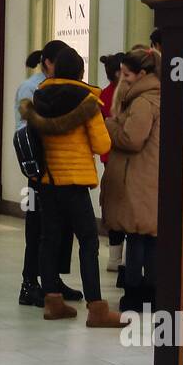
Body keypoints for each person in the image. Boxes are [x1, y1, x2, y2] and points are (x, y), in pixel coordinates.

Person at [19, 45, 121, 326]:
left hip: (48, 181)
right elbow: (102, 144)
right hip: (75, 183)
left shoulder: (40, 98)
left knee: (48, 239)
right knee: (88, 241)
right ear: (80, 71)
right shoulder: (86, 102)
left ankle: (53, 302)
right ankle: (97, 310)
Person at [15, 40, 82, 307]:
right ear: (48, 63)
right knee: (36, 228)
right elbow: (24, 130)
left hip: (59, 171)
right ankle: (29, 283)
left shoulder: (60, 88)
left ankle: (52, 280)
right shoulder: (31, 88)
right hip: (37, 172)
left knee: (59, 228)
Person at [102, 48, 161, 314]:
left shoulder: (143, 102)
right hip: (149, 175)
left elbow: (132, 139)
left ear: (143, 74)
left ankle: (135, 293)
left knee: (137, 237)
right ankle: (150, 291)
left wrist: (111, 125)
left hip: (139, 176)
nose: (122, 79)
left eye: (127, 74)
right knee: (148, 237)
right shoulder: (154, 97)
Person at [98, 52, 127, 272]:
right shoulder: (125, 96)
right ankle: (123, 258)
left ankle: (114, 256)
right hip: (125, 157)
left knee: (113, 206)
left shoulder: (102, 95)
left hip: (109, 159)